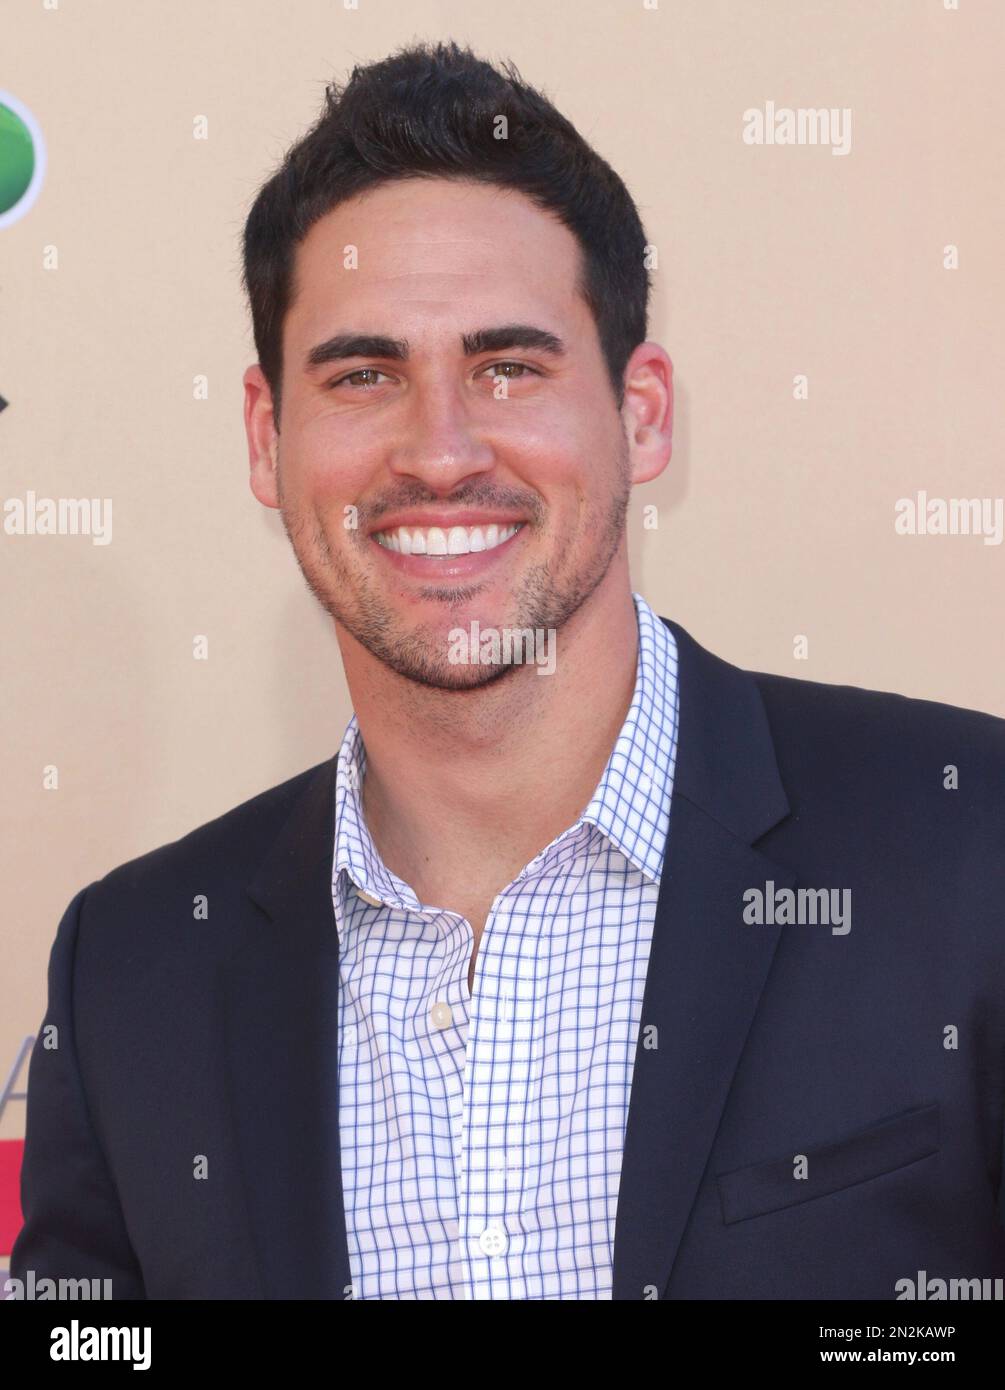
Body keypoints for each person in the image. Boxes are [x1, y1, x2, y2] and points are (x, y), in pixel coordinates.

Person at [10, 40, 1005, 1302]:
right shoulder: (131, 970)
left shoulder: (967, 837)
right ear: (268, 439)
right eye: (364, 374)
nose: (438, 451)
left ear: (640, 414)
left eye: (508, 366)